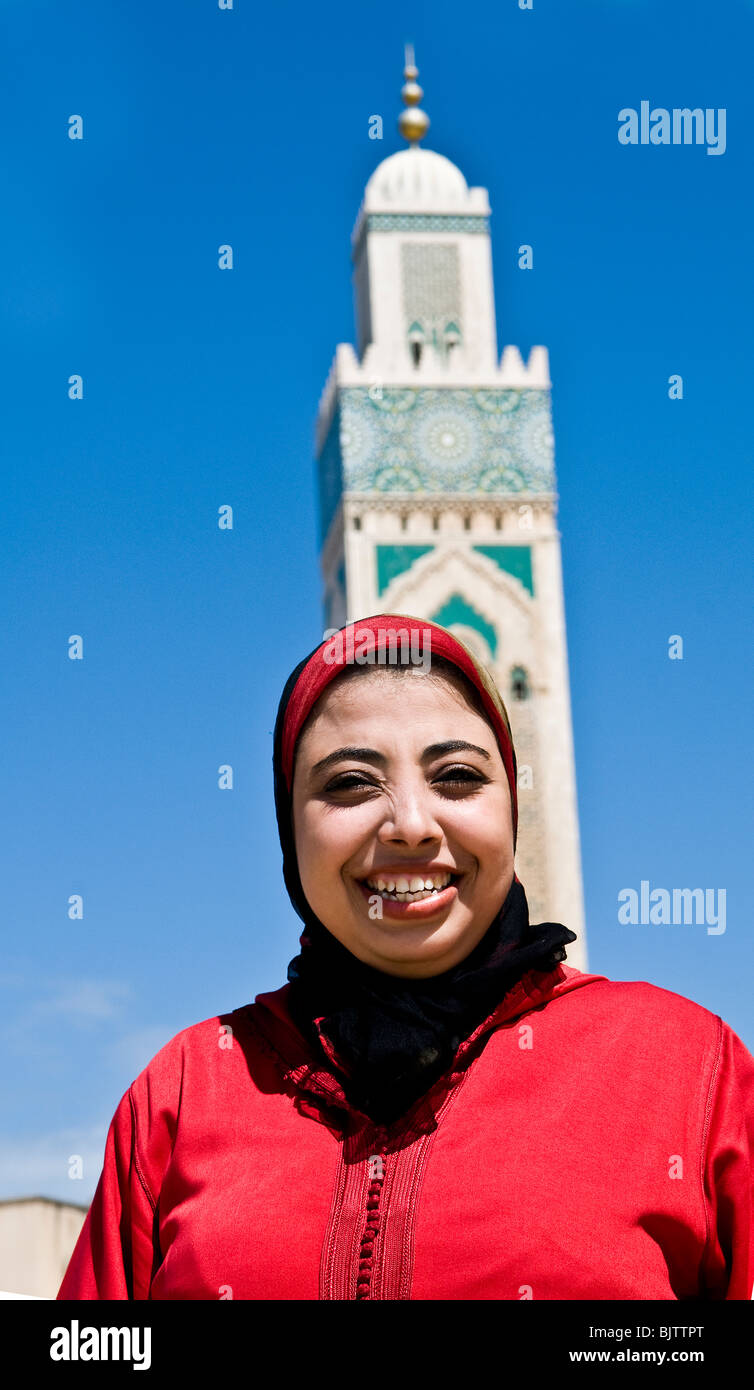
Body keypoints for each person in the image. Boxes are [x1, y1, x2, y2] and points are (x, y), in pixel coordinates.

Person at [57, 613, 754, 1300]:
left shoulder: (689, 1069)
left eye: (456, 776)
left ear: (511, 803)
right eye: (352, 784)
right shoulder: (184, 1092)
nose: (412, 826)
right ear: (286, 825)